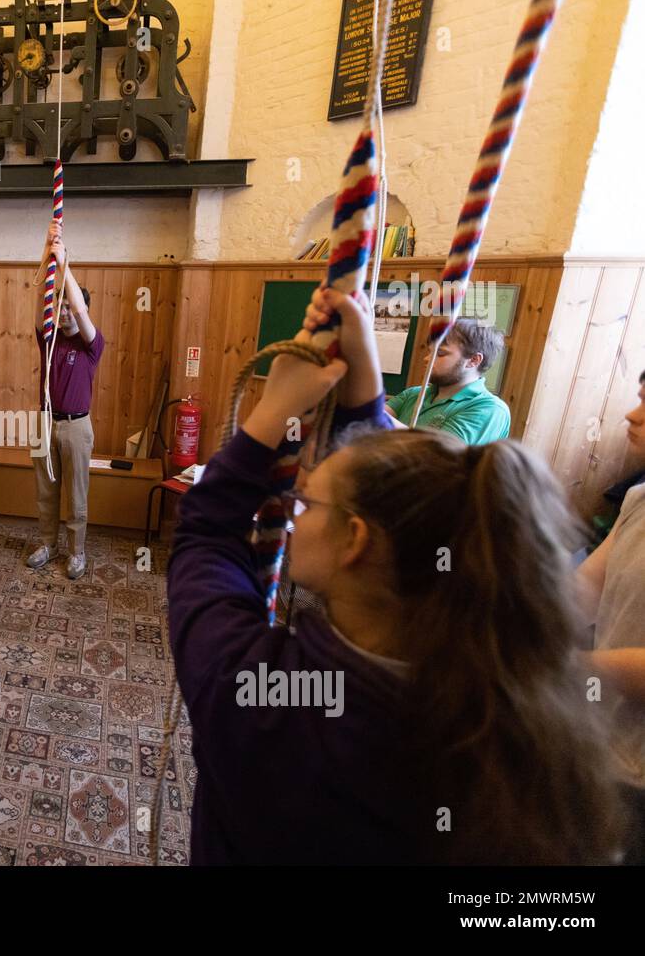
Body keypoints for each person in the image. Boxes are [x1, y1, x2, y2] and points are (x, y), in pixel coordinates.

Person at [166, 285, 624, 864]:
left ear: (356, 541)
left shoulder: (260, 695)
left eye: (305, 502)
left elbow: (205, 535)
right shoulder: (505, 699)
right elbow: (392, 489)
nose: (294, 514)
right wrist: (364, 381)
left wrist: (269, 412)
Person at [577, 368, 645, 859]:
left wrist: (567, 666)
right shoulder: (639, 500)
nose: (631, 413)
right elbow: (583, 588)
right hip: (608, 751)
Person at [26, 220, 103, 580]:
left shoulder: (91, 345)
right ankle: (47, 543)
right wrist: (47, 252)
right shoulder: (49, 338)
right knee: (46, 490)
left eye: (71, 306)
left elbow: (82, 312)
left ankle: (76, 551)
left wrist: (65, 261)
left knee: (76, 494)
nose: (66, 311)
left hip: (76, 425)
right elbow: (37, 294)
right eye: (62, 307)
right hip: (45, 420)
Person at [385, 318, 510, 443]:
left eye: (440, 353)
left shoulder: (489, 409)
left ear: (473, 360)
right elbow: (369, 422)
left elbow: (436, 454)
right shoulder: (413, 394)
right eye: (429, 351)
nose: (427, 358)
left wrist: (374, 411)